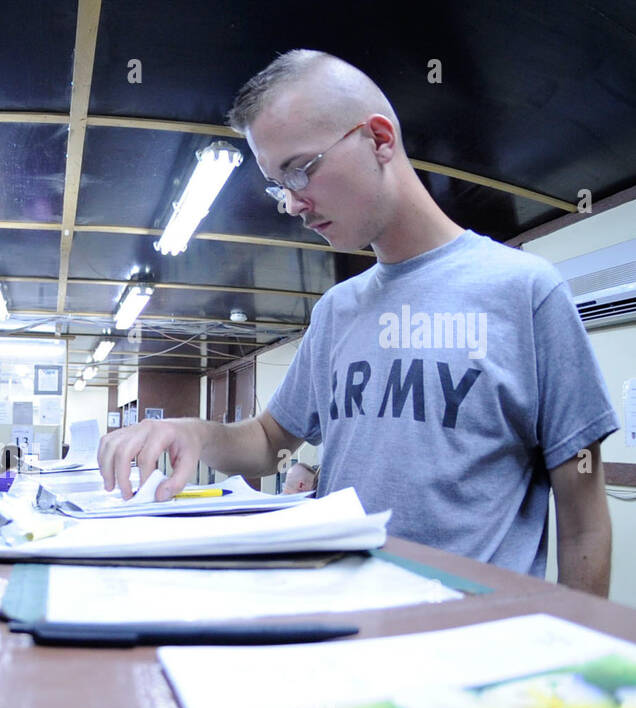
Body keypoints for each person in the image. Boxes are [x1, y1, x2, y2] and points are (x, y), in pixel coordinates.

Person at [98, 50, 616, 596]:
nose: (293, 204)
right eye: (279, 184)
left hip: (471, 646)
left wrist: (580, 653)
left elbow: (583, 517)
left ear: (378, 139)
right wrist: (192, 433)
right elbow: (270, 443)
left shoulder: (526, 292)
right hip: (344, 626)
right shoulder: (336, 311)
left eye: (299, 169)